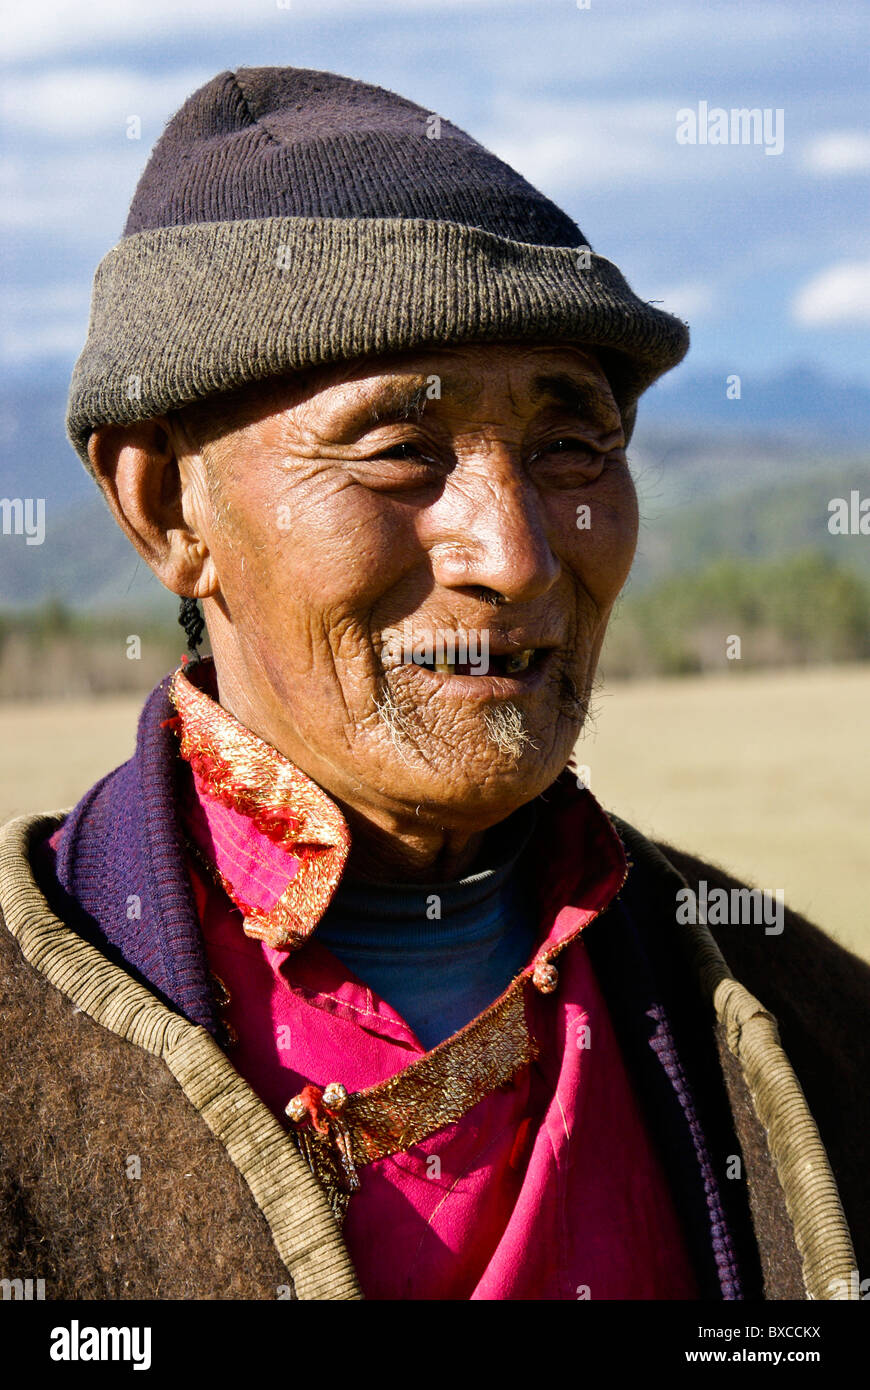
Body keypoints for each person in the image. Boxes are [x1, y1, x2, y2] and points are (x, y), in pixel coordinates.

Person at [1, 66, 866, 1302]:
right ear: (163, 504)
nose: (512, 557)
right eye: (400, 449)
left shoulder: (801, 1018)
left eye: (572, 445)